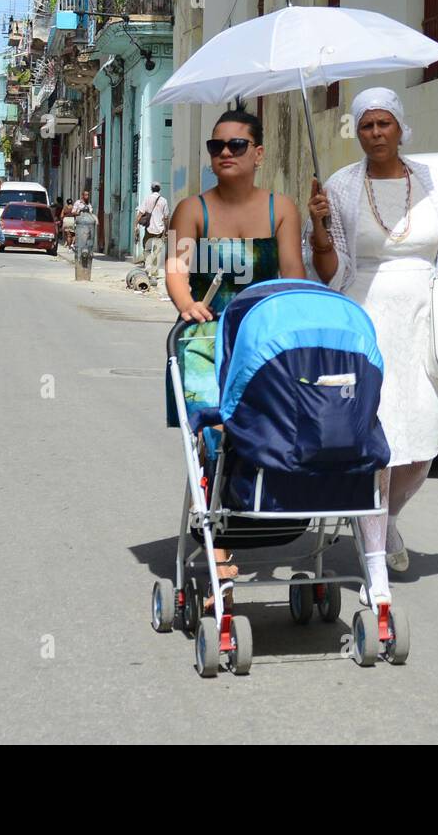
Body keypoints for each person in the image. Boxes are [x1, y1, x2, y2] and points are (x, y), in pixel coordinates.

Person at [306, 87, 438, 612]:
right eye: (366, 126)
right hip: (365, 325)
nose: (376, 134)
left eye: (384, 124)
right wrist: (318, 224)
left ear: (401, 127)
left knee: (422, 447)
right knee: (375, 447)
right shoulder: (339, 186)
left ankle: (388, 521)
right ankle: (374, 564)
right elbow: (330, 270)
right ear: (356, 132)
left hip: (423, 325)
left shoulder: (432, 182)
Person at [164, 109, 306, 597]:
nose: (225, 152)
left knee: (279, 423)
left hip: (263, 335)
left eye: (237, 145)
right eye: (216, 145)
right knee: (213, 429)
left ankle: (265, 511)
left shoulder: (281, 208)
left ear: (258, 153)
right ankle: (218, 539)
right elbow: (177, 270)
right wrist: (187, 305)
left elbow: (292, 273)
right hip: (207, 335)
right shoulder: (192, 209)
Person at [136, 182, 169, 294]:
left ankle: (147, 266)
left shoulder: (147, 199)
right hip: (159, 229)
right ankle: (154, 276)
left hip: (149, 228)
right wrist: (167, 229)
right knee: (157, 251)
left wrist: (135, 225)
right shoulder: (164, 201)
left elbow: (141, 212)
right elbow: (166, 217)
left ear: (151, 189)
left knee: (146, 248)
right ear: (159, 189)